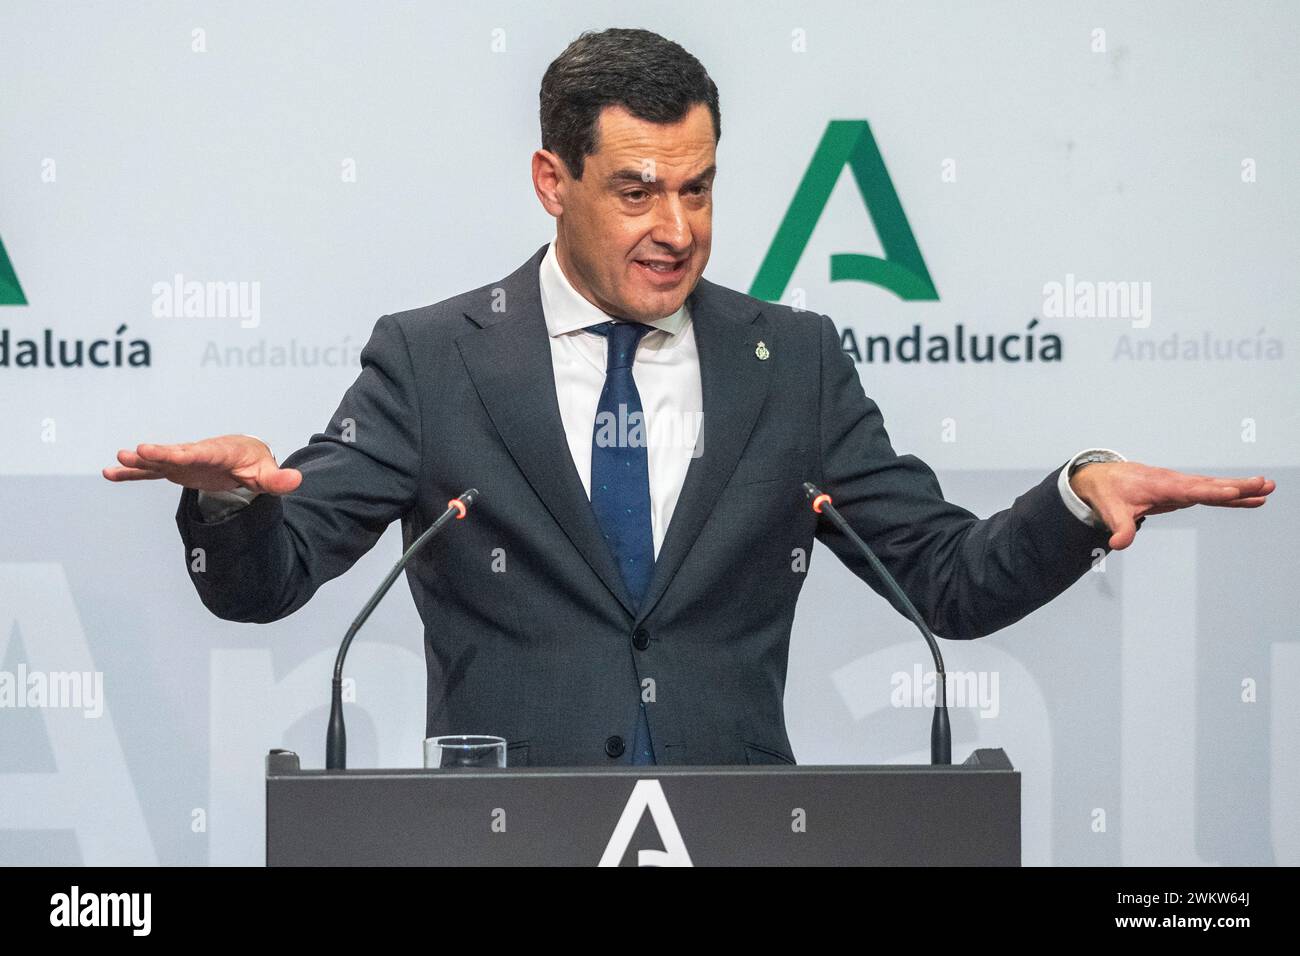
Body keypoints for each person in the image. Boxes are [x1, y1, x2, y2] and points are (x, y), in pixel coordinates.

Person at [103, 28, 1274, 767]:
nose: (677, 230)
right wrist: (225, 505)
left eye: (701, 187)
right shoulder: (433, 359)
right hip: (504, 851)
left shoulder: (794, 362)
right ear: (550, 183)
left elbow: (947, 581)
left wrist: (1074, 494)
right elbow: (274, 578)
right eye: (637, 191)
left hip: (744, 845)